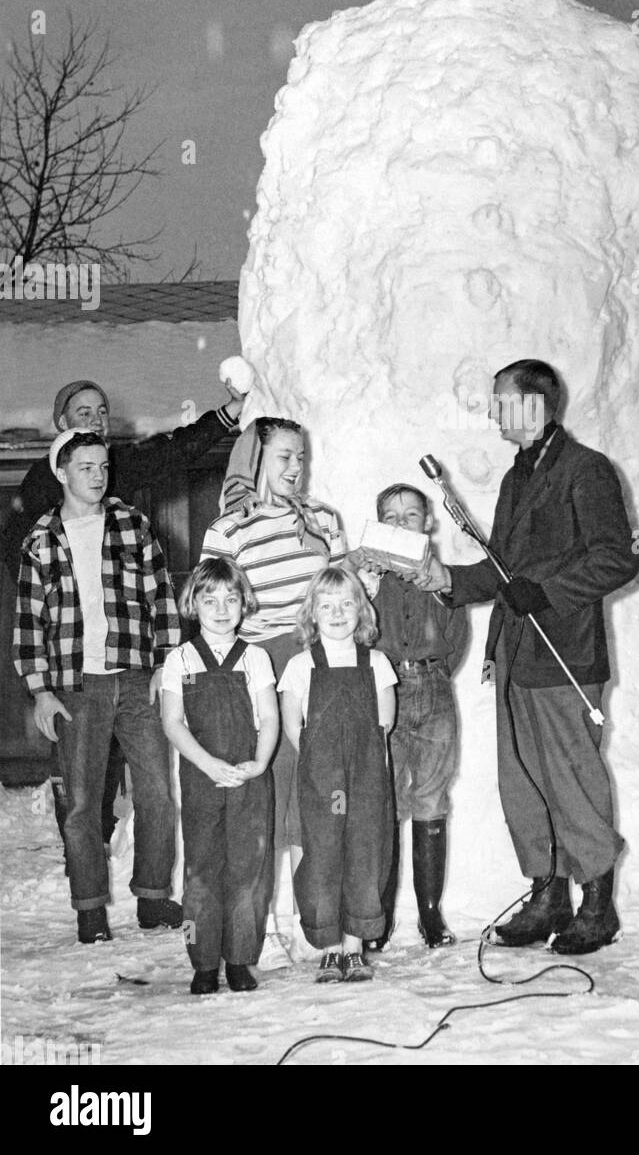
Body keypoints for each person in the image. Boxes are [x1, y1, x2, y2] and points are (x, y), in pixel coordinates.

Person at [417, 359, 639, 955]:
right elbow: (506, 571)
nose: (492, 411)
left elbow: (618, 559)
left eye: (500, 400)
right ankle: (547, 895)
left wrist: (547, 592)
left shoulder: (586, 471)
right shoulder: (519, 476)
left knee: (572, 777)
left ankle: (597, 904)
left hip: (566, 652)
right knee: (525, 780)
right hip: (519, 652)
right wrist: (452, 581)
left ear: (534, 405)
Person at [1, 377, 245, 852]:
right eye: (83, 412)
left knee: (144, 773)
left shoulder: (119, 483)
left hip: (128, 652)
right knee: (80, 776)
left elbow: (171, 452)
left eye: (101, 412)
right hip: (72, 656)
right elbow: (19, 557)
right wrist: (60, 612)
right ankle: (85, 859)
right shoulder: (39, 484)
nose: (95, 419)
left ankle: (130, 868)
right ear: (60, 425)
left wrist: (227, 415)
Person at [13, 430, 183, 943]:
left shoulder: (133, 524)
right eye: (85, 467)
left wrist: (165, 666)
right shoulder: (40, 540)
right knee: (84, 803)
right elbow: (28, 622)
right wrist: (41, 690)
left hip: (135, 679)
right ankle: (90, 909)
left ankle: (152, 900)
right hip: (74, 686)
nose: (97, 475)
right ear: (61, 473)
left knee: (157, 793)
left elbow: (164, 599)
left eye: (103, 466)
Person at [200, 416, 345, 968]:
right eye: (284, 457)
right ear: (254, 461)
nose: (295, 468)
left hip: (318, 667)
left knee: (319, 794)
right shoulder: (228, 531)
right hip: (259, 670)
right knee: (263, 800)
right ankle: (259, 930)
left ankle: (321, 924)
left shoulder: (324, 521)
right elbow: (217, 612)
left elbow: (335, 599)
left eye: (301, 457)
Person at [161, 557, 279, 995]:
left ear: (244, 603)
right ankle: (203, 962)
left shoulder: (257, 657)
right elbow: (173, 723)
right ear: (193, 603)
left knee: (248, 871)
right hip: (200, 778)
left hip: (249, 778)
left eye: (231, 597)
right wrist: (208, 764)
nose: (221, 607)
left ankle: (241, 960)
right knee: (201, 872)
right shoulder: (179, 659)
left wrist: (260, 763)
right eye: (209, 598)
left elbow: (268, 716)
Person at [279, 565, 396, 982]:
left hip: (365, 777)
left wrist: (366, 772)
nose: (337, 612)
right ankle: (329, 948)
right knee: (323, 857)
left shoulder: (377, 662)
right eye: (326, 605)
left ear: (362, 611)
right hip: (320, 779)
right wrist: (320, 766)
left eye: (347, 603)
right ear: (312, 613)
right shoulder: (298, 665)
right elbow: (293, 724)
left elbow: (385, 722)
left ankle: (354, 947)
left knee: (364, 855)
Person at [363, 483, 467, 949]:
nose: (401, 523)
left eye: (411, 515)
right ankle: (378, 916)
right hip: (385, 691)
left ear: (428, 524)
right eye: (391, 516)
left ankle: (430, 915)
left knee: (431, 797)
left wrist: (434, 671)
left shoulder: (441, 579)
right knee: (385, 803)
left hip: (434, 692)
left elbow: (457, 635)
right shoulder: (370, 578)